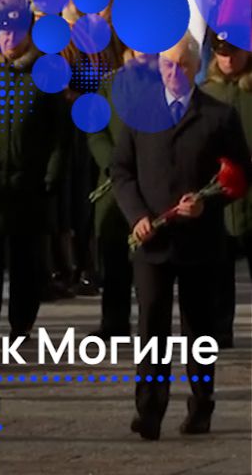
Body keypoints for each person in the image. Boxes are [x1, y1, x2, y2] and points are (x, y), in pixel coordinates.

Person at [111, 33, 252, 440]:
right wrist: (136, 215)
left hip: (200, 242)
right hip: (152, 240)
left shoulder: (219, 116)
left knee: (199, 330)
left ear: (194, 68)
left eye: (182, 66)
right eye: (167, 65)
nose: (173, 73)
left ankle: (201, 404)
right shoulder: (141, 112)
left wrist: (208, 203)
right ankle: (149, 410)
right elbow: (121, 170)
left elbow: (240, 176)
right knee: (151, 326)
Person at [0, 6, 66, 339]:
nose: (9, 38)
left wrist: (50, 178)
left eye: (15, 32)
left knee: (26, 258)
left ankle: (21, 322)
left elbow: (59, 135)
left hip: (30, 182)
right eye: (3, 32)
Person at [88, 49, 161, 339]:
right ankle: (114, 322)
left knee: (149, 264)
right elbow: (96, 132)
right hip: (114, 185)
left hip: (152, 183)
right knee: (113, 256)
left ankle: (150, 326)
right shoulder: (110, 84)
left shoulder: (166, 81)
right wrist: (113, 166)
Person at [201, 30, 252, 349]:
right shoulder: (208, 94)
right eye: (221, 52)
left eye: (233, 52)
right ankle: (220, 331)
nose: (227, 59)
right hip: (219, 198)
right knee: (219, 271)